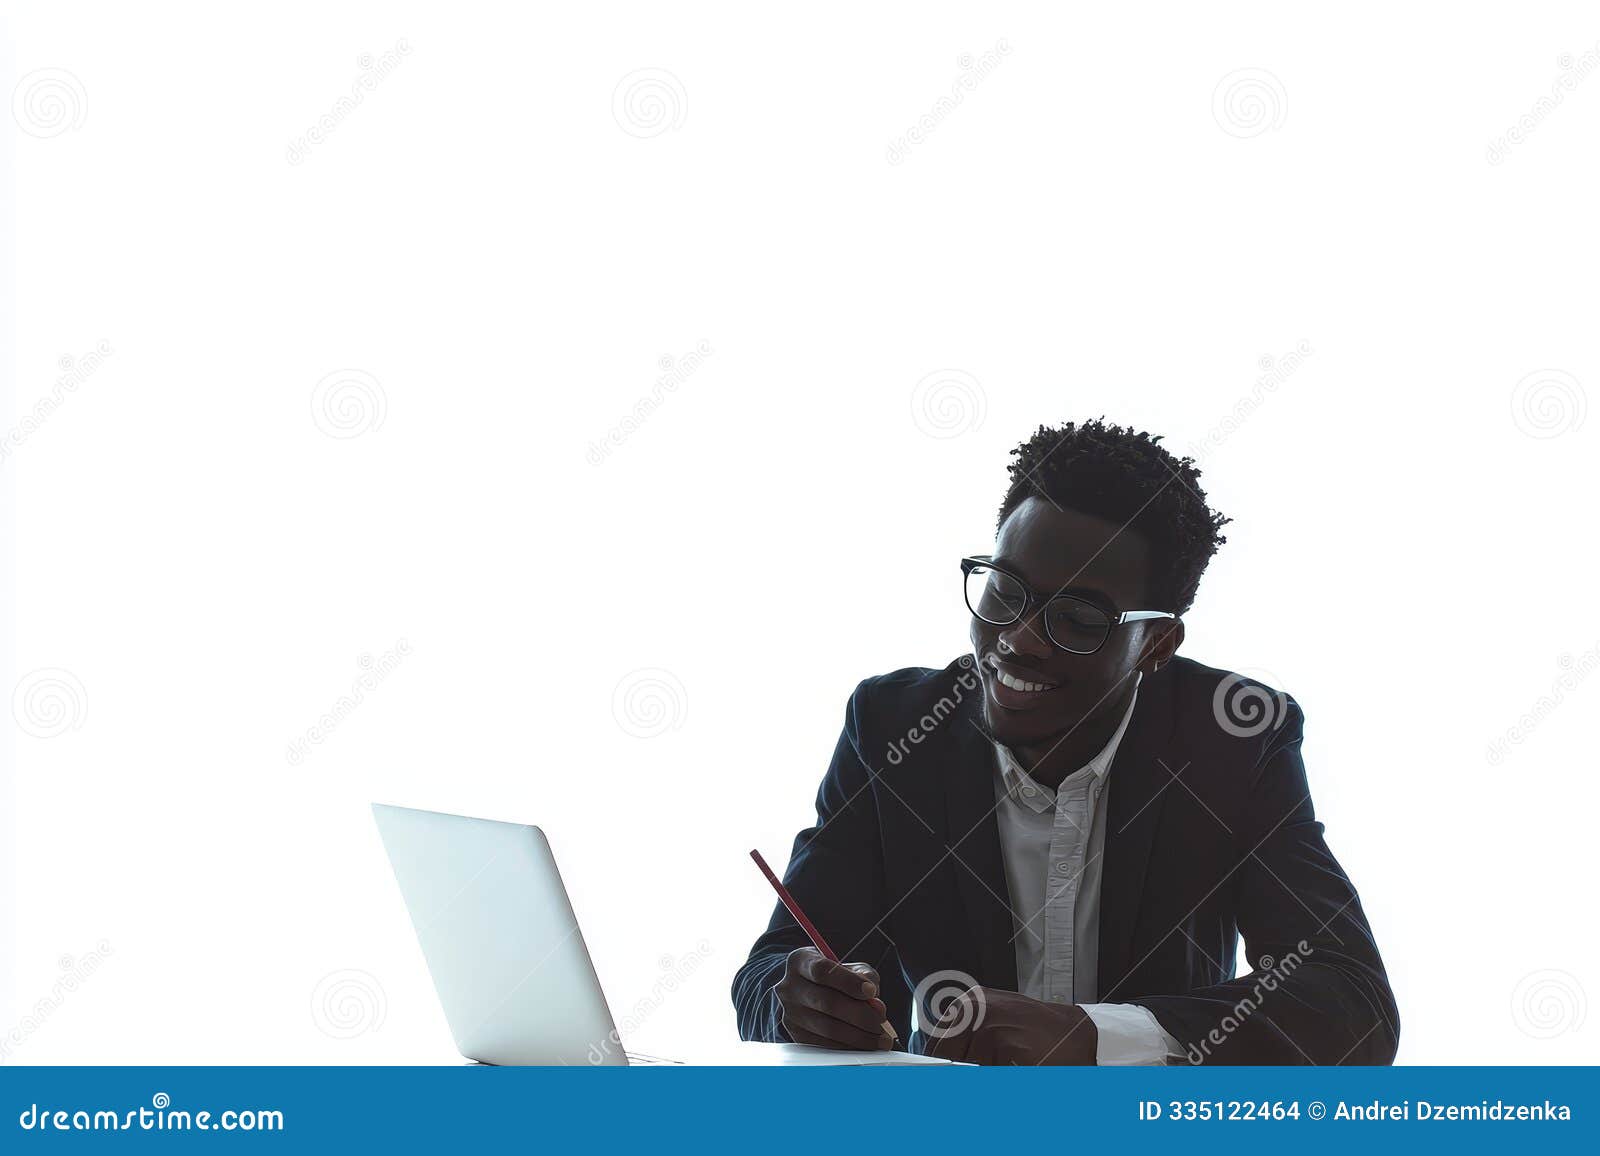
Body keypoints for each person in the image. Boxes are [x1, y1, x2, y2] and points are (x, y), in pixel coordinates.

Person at [731, 419, 1398, 1064]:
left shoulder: (1231, 742)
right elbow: (769, 974)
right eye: (1005, 588)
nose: (1018, 638)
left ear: (1157, 644)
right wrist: (797, 999)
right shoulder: (892, 727)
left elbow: (1350, 1003)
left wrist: (1091, 1037)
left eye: (1078, 618)